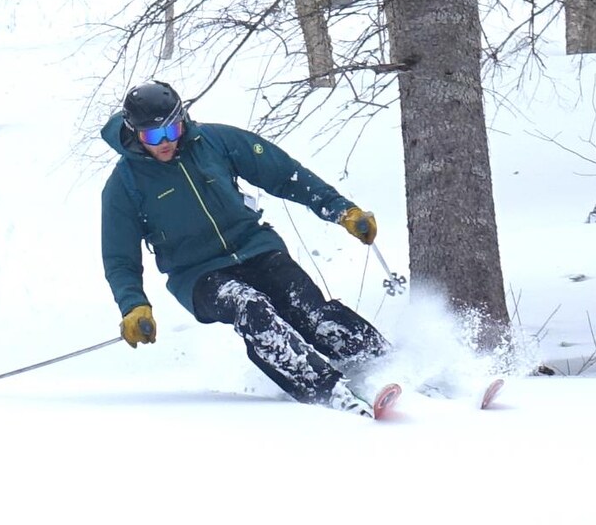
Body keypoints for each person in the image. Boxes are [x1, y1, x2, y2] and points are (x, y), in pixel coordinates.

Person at [100, 80, 389, 415]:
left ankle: (382, 362)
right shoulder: (124, 185)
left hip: (255, 247)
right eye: (153, 136)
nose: (165, 142)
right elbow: (120, 259)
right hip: (197, 274)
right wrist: (134, 306)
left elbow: (285, 175)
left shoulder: (214, 141)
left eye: (172, 129)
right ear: (133, 132)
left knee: (306, 306)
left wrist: (342, 210)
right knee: (250, 307)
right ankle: (325, 390)